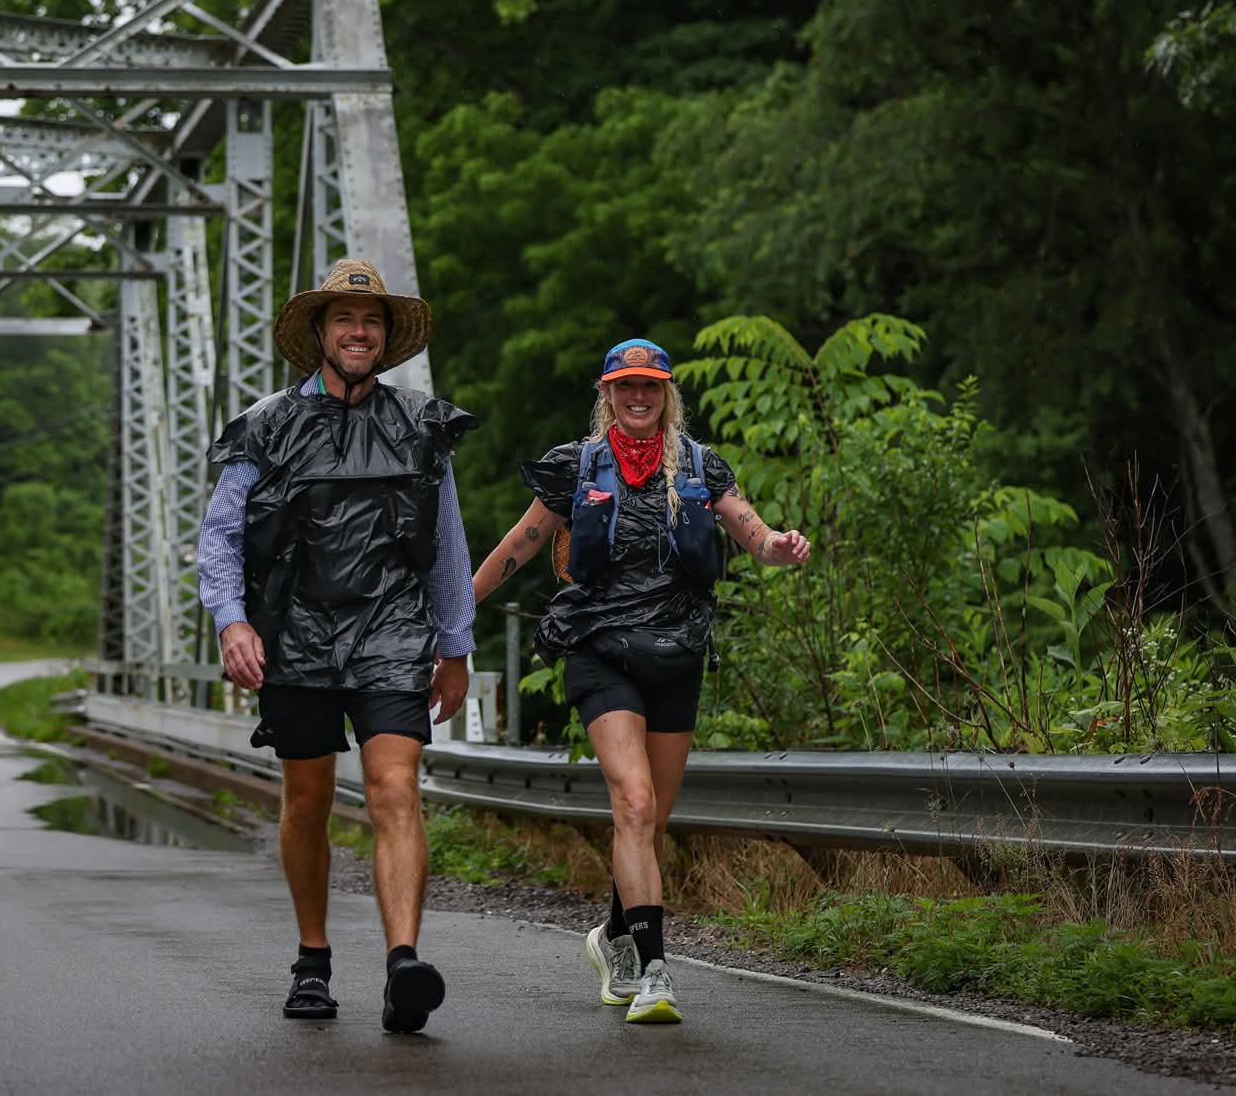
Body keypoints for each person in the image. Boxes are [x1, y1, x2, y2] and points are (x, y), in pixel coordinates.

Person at [471, 338, 809, 1024]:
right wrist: (453, 613)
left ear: (666, 395)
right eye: (625, 386)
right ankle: (655, 971)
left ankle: (613, 936)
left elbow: (755, 533)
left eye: (650, 387)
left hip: (677, 651)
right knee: (633, 802)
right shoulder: (577, 466)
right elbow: (522, 544)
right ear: (607, 394)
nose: (638, 397)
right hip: (600, 648)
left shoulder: (701, 467)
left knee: (651, 820)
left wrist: (779, 547)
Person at [198, 258, 477, 1034]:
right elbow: (220, 540)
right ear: (319, 333)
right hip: (296, 633)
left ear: (387, 339)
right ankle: (312, 960)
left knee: (394, 789)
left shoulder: (422, 427)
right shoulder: (266, 426)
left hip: (391, 632)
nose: (359, 332)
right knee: (309, 800)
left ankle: (402, 964)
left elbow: (448, 544)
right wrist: (233, 619)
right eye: (345, 320)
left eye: (373, 322)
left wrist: (454, 645)